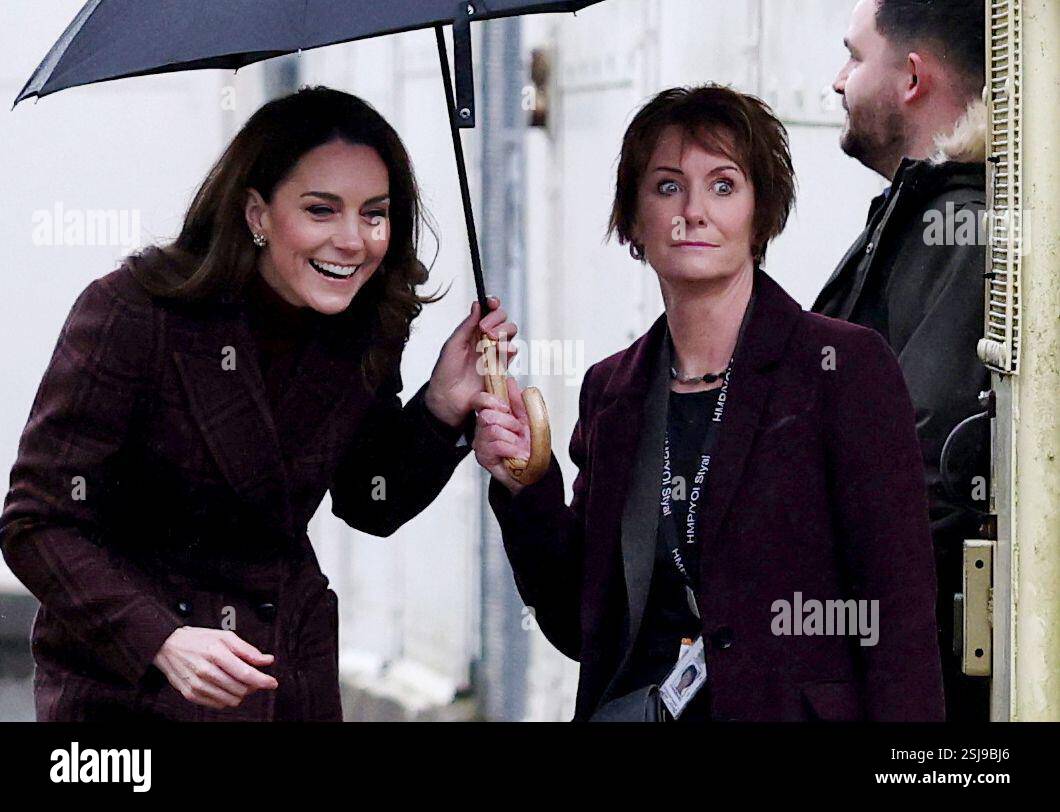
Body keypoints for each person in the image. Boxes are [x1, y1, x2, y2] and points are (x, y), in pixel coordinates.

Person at [0, 86, 517, 721]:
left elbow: (369, 500)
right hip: (132, 696)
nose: (353, 241)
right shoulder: (135, 312)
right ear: (257, 213)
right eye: (321, 210)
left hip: (285, 681)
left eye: (375, 213)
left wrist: (441, 405)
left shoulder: (363, 324)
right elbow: (38, 523)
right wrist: (162, 639)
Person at [472, 84, 945, 722]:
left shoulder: (842, 368)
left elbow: (899, 618)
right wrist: (526, 487)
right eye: (667, 186)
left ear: (761, 212)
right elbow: (580, 626)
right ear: (634, 220)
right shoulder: (612, 389)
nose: (693, 211)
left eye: (723, 185)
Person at [814, 0, 990, 720]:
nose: (837, 80)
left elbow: (917, 468)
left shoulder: (966, 228)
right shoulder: (918, 212)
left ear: (912, 78)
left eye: (855, 57)